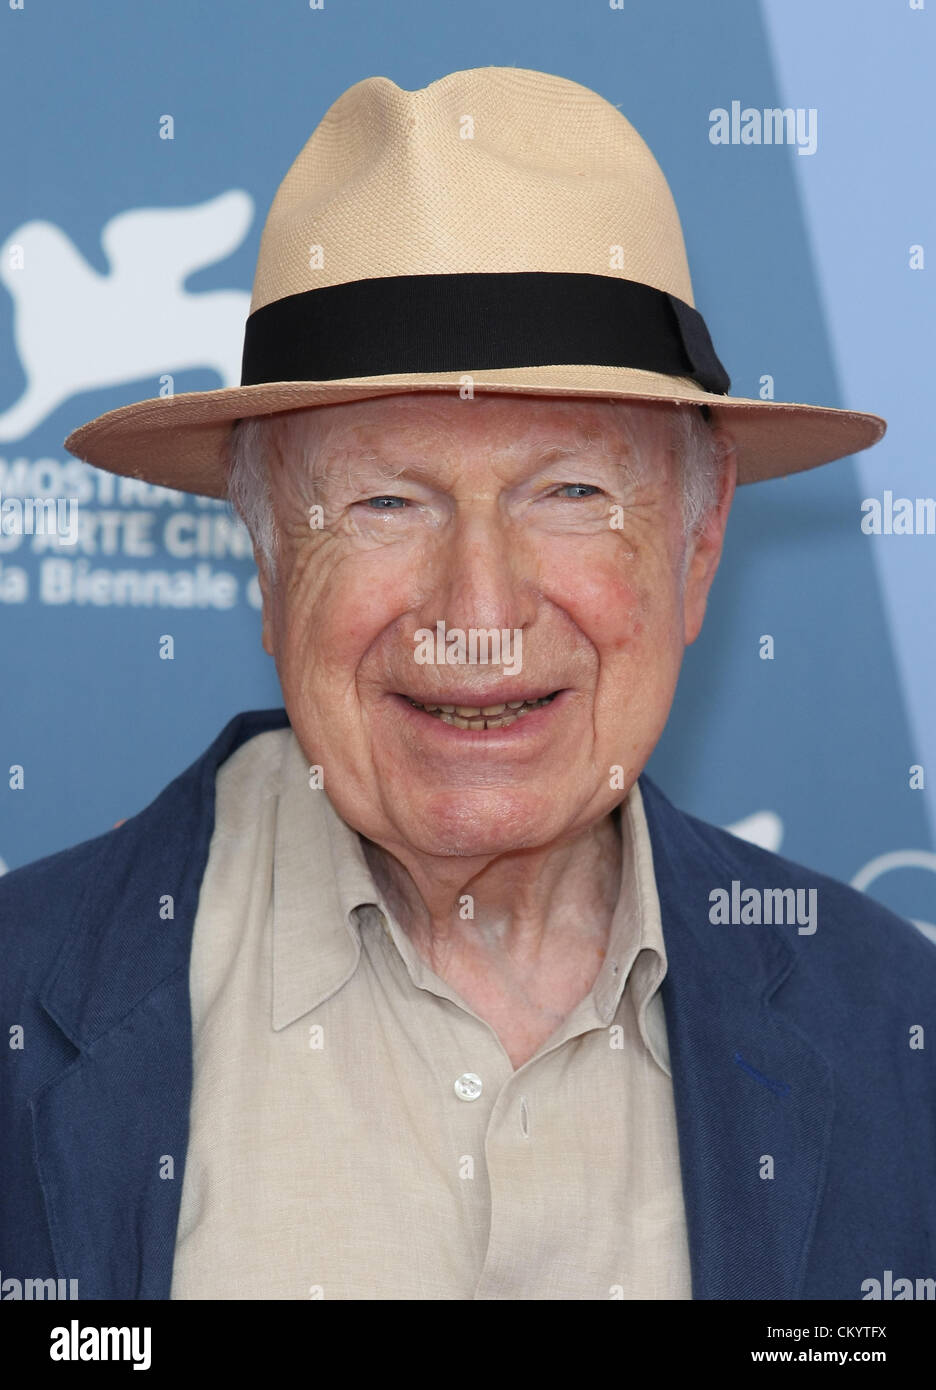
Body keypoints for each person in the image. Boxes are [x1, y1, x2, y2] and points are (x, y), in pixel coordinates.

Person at [2, 66, 934, 1301]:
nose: (479, 613)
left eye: (571, 494)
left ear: (696, 554)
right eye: (386, 502)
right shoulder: (25, 997)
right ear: (271, 561)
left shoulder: (896, 1033)